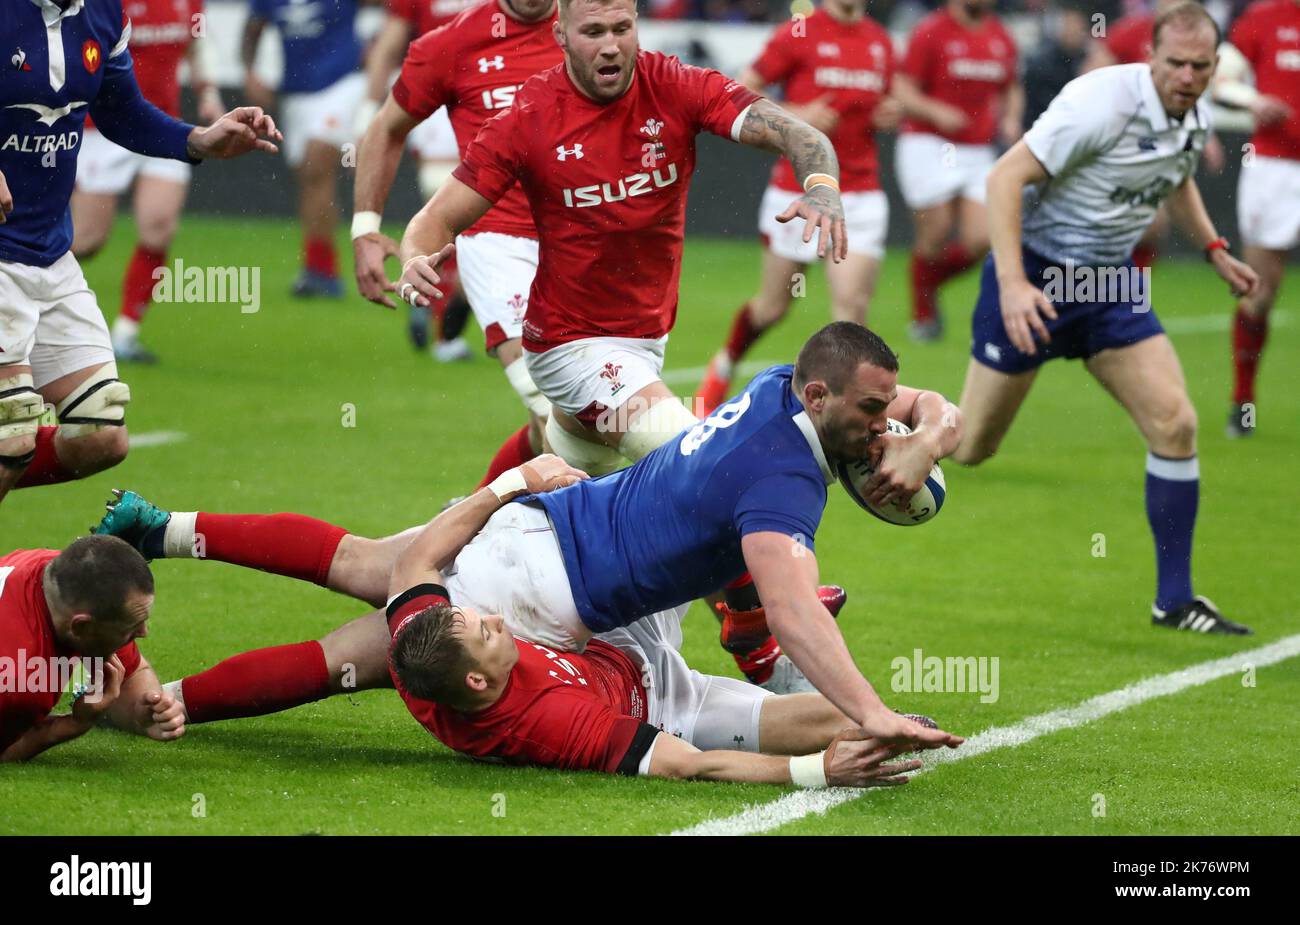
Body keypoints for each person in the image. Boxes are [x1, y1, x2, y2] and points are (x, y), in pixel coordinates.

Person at [97, 322, 966, 745]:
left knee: (363, 568)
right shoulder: (780, 482)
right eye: (872, 410)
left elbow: (924, 403)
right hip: (543, 591)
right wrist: (872, 709)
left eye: (888, 407)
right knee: (347, 658)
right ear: (820, 400)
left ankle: (164, 533)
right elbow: (797, 614)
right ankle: (170, 702)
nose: (884, 420)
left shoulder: (784, 383)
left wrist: (927, 432)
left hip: (542, 526)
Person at [953, 2, 1258, 635]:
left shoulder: (1193, 111)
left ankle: (1174, 600)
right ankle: (881, 419)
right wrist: (1011, 284)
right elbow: (1004, 178)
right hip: (1036, 275)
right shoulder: (1098, 103)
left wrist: (1214, 249)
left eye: (1201, 65)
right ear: (1149, 55)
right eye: (1175, 63)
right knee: (971, 445)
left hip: (1110, 282)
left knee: (1175, 424)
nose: (1187, 76)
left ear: (1214, 65)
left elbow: (1174, 177)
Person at [0, 0, 281, 509]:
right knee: (11, 434)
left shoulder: (104, 12)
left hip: (48, 254)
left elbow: (121, 111)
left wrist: (197, 139)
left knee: (101, 433)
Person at [353, 0, 564, 487]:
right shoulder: (452, 44)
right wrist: (365, 227)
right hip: (498, 245)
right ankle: (582, 555)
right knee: (558, 413)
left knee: (567, 421)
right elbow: (387, 128)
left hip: (582, 248)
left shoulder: (589, 34)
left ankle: (471, 519)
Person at [694, 0, 900, 416]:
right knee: (772, 307)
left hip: (858, 194)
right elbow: (742, 91)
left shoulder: (879, 41)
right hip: (798, 191)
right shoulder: (798, 32)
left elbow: (886, 104)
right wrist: (797, 114)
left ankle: (848, 419)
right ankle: (726, 362)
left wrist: (890, 113)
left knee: (851, 311)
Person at [70, 0, 224, 364]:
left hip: (164, 128)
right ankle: (21, 293)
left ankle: (125, 331)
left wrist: (208, 94)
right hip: (106, 129)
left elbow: (199, 42)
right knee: (87, 240)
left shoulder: (188, 4)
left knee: (159, 228)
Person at [892, 0, 1022, 341]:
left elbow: (1011, 86)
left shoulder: (1000, 35)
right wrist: (935, 111)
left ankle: (927, 283)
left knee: (983, 237)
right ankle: (923, 315)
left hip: (977, 148)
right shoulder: (931, 30)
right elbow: (902, 88)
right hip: (930, 142)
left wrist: (1010, 118)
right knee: (934, 234)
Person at [355, 0, 477, 359]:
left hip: (495, 96)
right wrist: (367, 118)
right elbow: (387, 46)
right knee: (453, 210)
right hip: (442, 101)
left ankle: (434, 303)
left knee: (488, 227)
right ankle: (446, 331)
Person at [0, 536, 186, 762]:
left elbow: (132, 672)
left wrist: (140, 712)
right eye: (130, 628)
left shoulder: (64, 574)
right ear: (81, 626)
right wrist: (72, 724)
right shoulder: (20, 680)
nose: (144, 632)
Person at [242, 0, 366, 297]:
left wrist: (382, 43)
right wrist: (250, 72)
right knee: (310, 181)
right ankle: (320, 269)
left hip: (342, 82)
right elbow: (253, 29)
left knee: (316, 164)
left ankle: (324, 271)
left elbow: (391, 9)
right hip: (295, 92)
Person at [1217, 0, 1299, 437]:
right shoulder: (1265, 17)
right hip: (1274, 166)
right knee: (1260, 293)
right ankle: (1242, 401)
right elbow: (1220, 78)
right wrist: (1254, 99)